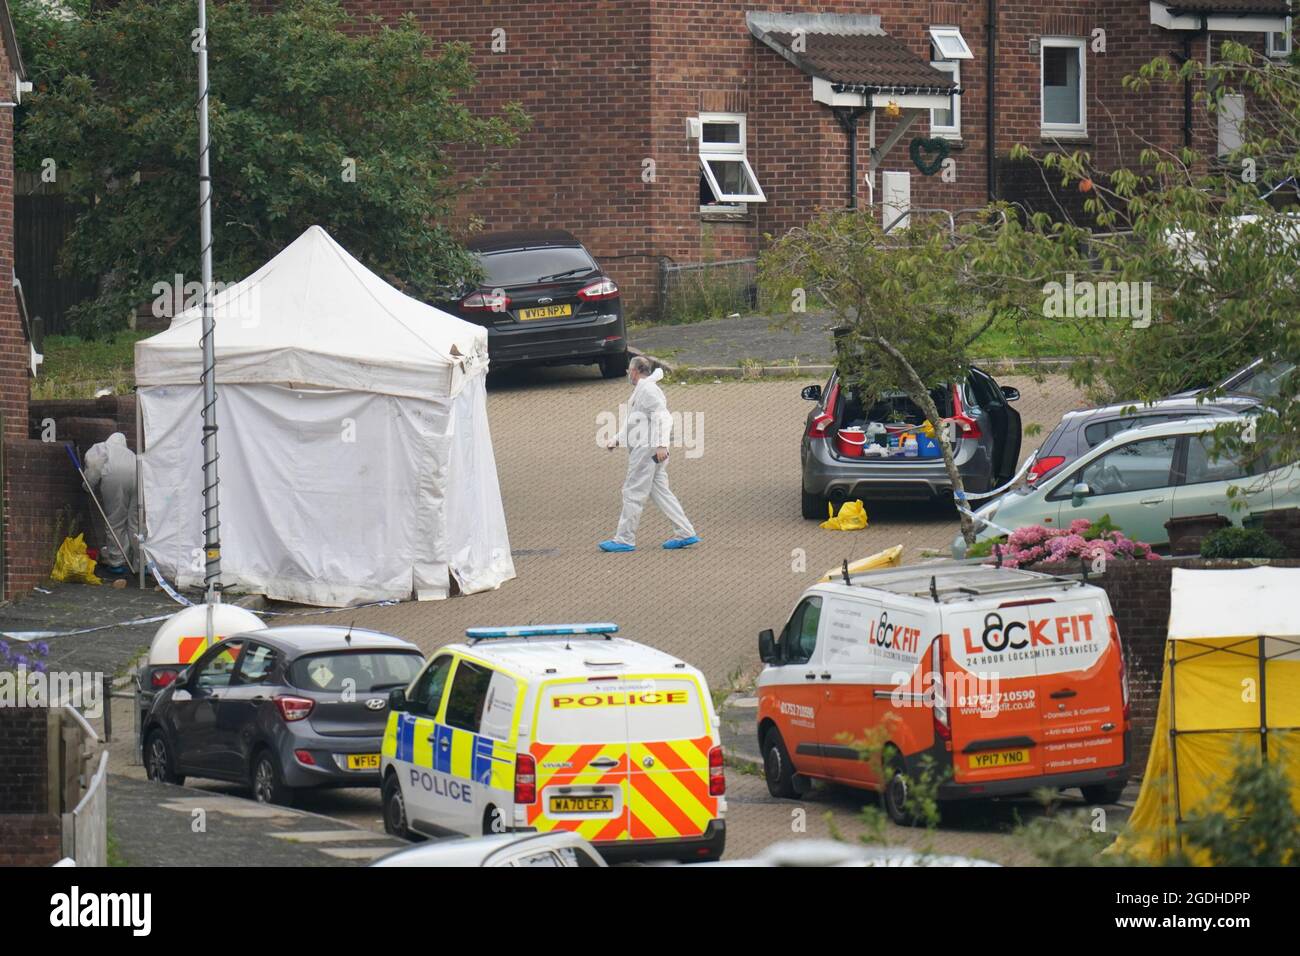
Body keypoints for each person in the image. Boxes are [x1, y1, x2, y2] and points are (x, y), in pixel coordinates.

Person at [600, 356, 700, 552]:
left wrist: (662, 445)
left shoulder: (648, 390)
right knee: (661, 492)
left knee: (632, 492)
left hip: (647, 451)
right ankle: (685, 532)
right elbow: (634, 420)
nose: (628, 373)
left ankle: (624, 539)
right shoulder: (644, 389)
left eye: (629, 370)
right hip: (651, 450)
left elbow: (664, 418)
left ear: (636, 371)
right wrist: (618, 438)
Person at [83, 432, 138, 574]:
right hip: (138, 477)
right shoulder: (130, 453)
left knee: (115, 520)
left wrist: (88, 484)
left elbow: (94, 466)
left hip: (114, 476)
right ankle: (140, 562)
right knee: (135, 522)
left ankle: (117, 562)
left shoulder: (102, 447)